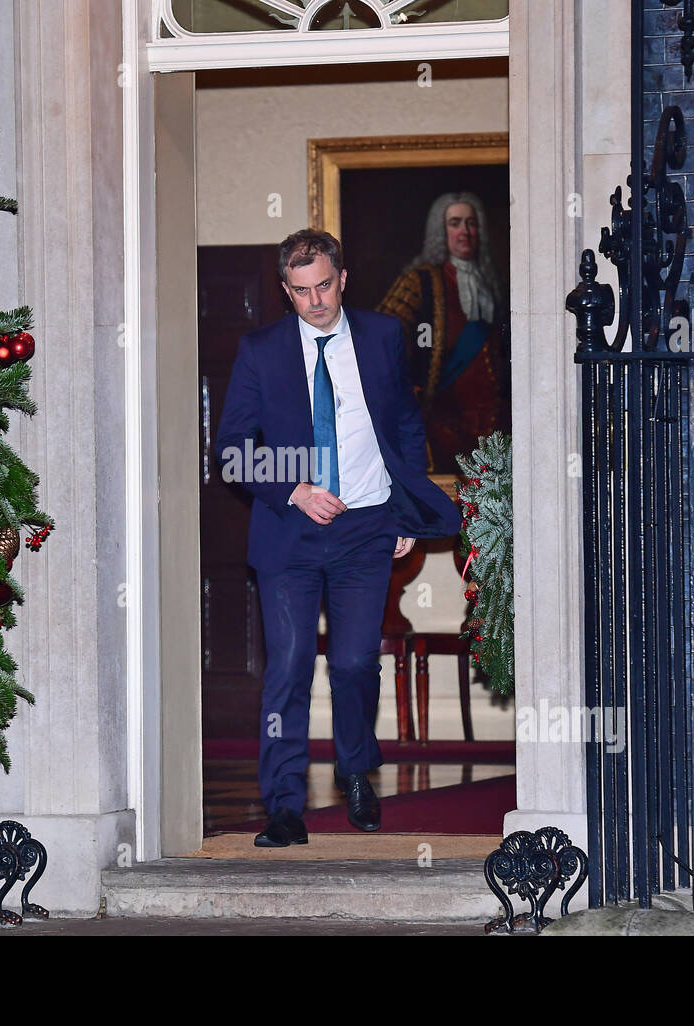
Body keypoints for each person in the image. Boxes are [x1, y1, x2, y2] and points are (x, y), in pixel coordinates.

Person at [215, 228, 461, 847]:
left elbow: (406, 426)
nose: (315, 301)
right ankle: (283, 806)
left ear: (343, 278)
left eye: (324, 285)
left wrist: (405, 513)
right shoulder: (260, 350)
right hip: (289, 533)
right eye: (300, 291)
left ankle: (356, 771)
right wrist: (292, 488)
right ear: (285, 291)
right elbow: (231, 451)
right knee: (290, 669)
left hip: (366, 527)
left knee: (354, 664)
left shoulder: (382, 338)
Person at [377, 192, 510, 473]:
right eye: (455, 223)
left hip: (491, 424)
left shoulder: (492, 282)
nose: (464, 232)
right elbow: (381, 336)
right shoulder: (420, 281)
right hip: (440, 421)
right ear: (441, 230)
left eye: (471, 223)